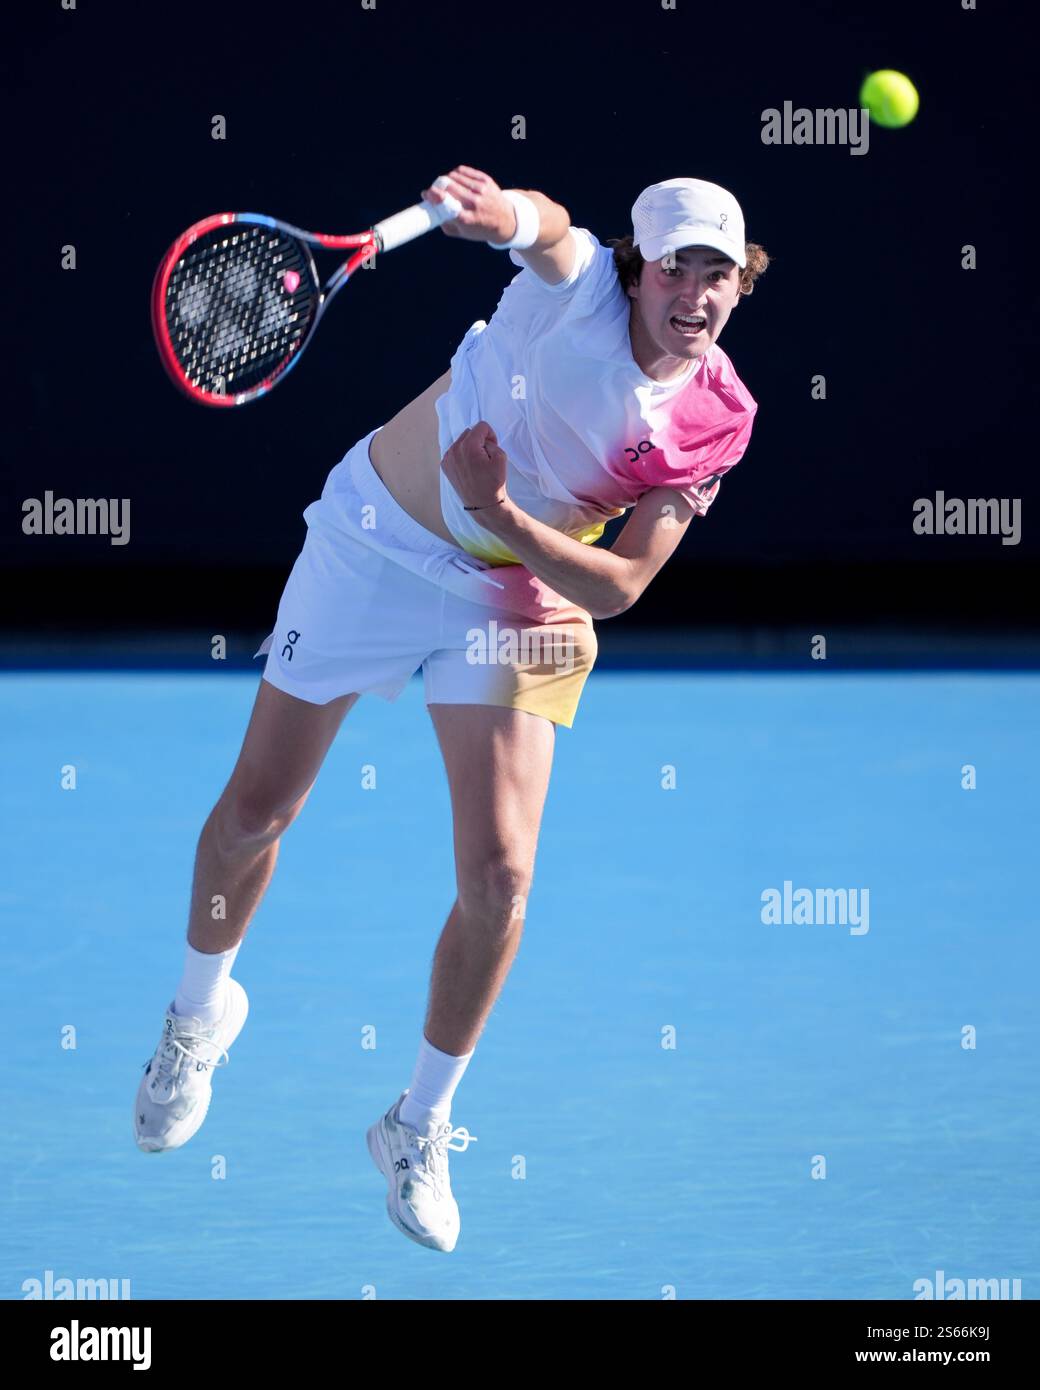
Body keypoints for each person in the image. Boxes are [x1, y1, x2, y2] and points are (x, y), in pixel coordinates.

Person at [133, 167, 769, 1253]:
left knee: (501, 879)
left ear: (739, 284)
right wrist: (494, 211)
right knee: (256, 813)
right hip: (372, 544)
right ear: (637, 268)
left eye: (718, 273)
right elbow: (544, 226)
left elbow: (615, 590)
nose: (695, 294)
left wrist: (502, 514)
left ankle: (415, 1124)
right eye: (675, 268)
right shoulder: (574, 290)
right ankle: (196, 1019)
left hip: (516, 592)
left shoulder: (720, 415)